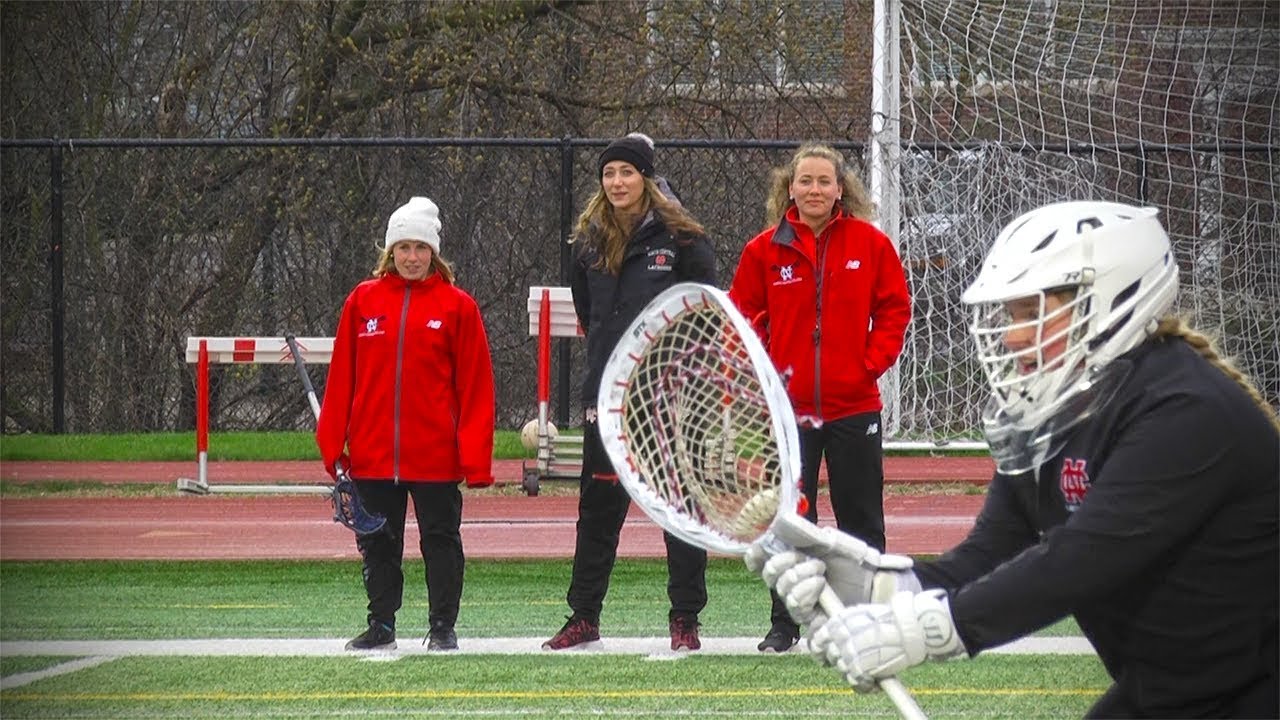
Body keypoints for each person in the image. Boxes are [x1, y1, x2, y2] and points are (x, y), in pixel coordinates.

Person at [747, 201, 1279, 718]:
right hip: (1180, 689)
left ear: (1112, 303)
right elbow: (985, 557)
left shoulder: (1186, 410)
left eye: (1035, 313)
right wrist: (872, 587)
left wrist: (924, 630)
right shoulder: (1057, 410)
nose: (1013, 334)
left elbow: (1081, 560)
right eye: (1011, 314)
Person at [728, 143, 911, 652]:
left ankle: (868, 618)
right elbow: (743, 317)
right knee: (790, 522)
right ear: (790, 188)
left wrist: (868, 364)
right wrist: (770, 370)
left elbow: (895, 309)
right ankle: (785, 624)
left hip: (855, 406)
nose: (814, 189)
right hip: (788, 414)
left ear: (839, 189)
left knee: (861, 519)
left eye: (824, 181)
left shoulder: (870, 244)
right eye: (805, 180)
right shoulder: (763, 250)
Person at [542, 132, 717, 652]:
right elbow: (587, 311)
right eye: (609, 173)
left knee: (678, 508)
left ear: (646, 177)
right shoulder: (589, 240)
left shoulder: (683, 237)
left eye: (627, 172)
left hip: (670, 397)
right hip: (607, 397)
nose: (617, 182)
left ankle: (685, 619)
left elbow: (704, 310)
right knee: (598, 508)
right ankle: (584, 616)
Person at [316, 195, 496, 653]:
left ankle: (442, 626)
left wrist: (475, 460)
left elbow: (475, 387)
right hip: (373, 453)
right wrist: (332, 442)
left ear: (433, 253)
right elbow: (342, 377)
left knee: (441, 541)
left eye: (420, 248)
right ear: (390, 251)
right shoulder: (362, 301)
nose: (411, 257)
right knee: (378, 542)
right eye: (403, 248)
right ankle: (381, 624)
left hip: (436, 455)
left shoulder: (458, 307)